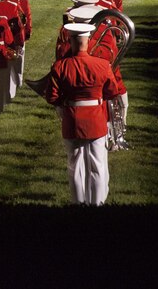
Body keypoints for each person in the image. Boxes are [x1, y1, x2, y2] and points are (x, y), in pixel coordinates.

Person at [41, 23, 122, 205]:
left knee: (75, 165)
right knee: (98, 164)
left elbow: (52, 96)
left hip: (72, 119)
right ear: (88, 41)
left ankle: (78, 203)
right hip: (96, 118)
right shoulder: (102, 65)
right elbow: (112, 91)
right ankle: (97, 203)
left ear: (70, 41)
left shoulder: (60, 66)